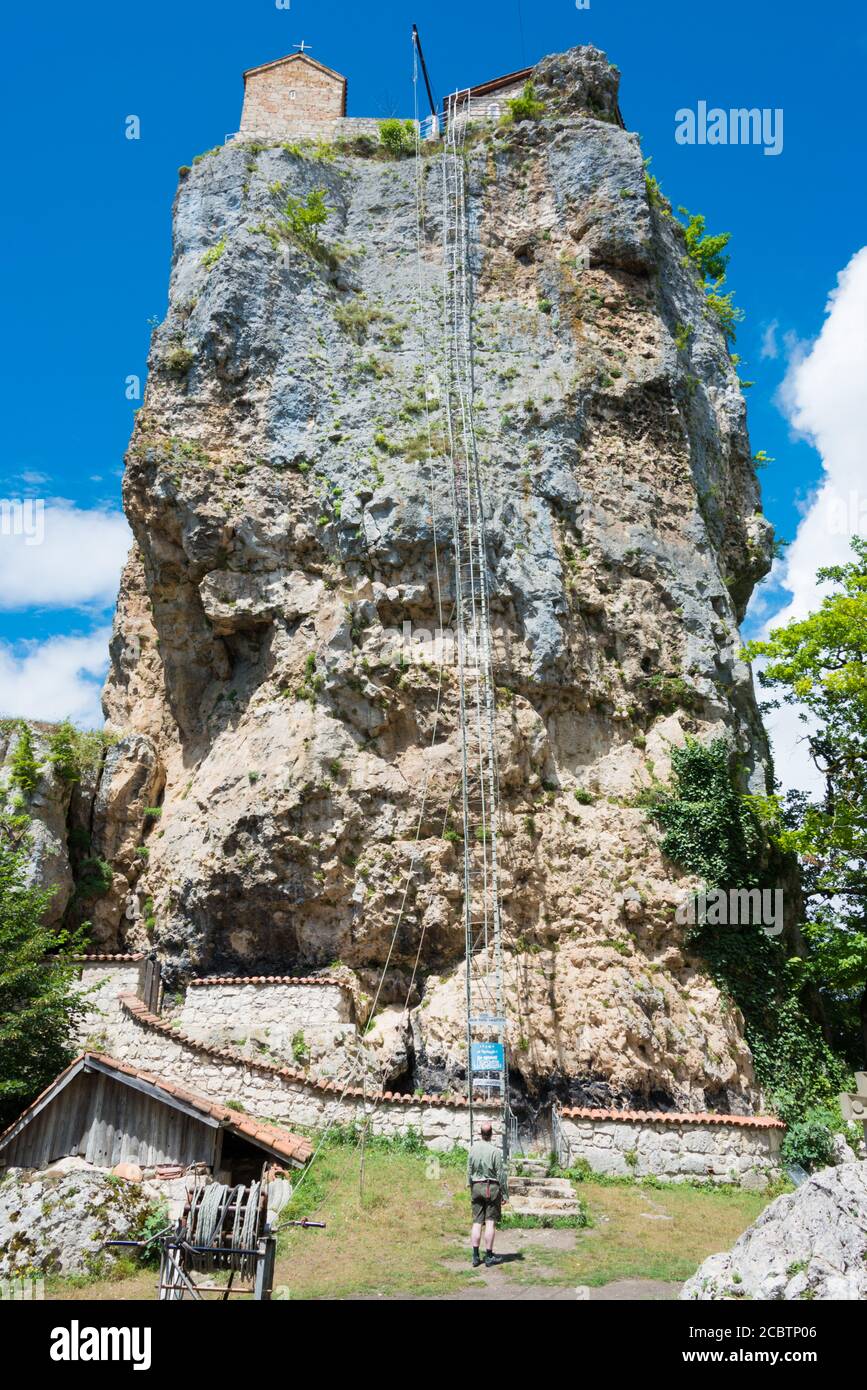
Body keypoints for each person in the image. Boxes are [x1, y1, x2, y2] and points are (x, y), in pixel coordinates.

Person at [467, 1121, 508, 1266]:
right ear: (491, 1134)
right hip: (491, 1189)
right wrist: (505, 1194)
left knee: (477, 1222)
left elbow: (469, 1170)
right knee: (490, 1223)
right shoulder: (495, 1151)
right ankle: (489, 1256)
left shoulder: (473, 1149)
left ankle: (475, 1256)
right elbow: (501, 1174)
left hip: (476, 1187)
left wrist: (470, 1185)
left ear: (480, 1133)